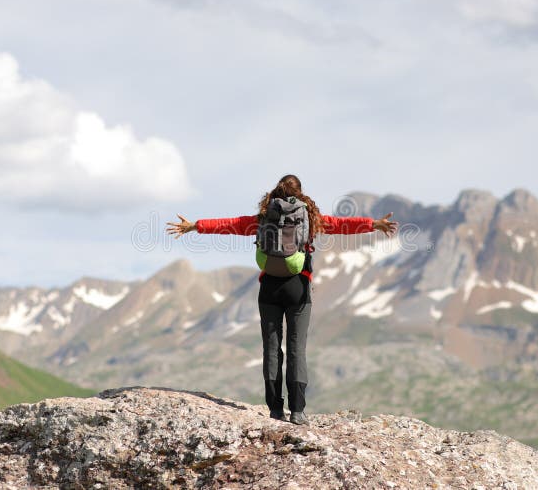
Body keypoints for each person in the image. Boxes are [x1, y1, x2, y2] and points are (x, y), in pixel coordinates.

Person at [165, 174, 398, 425]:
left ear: (276, 191)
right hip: (298, 287)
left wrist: (194, 225)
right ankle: (297, 412)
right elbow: (342, 224)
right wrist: (373, 224)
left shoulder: (263, 218)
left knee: (271, 349)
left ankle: (276, 409)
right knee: (297, 349)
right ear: (300, 194)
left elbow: (229, 224)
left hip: (269, 289)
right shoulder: (310, 218)